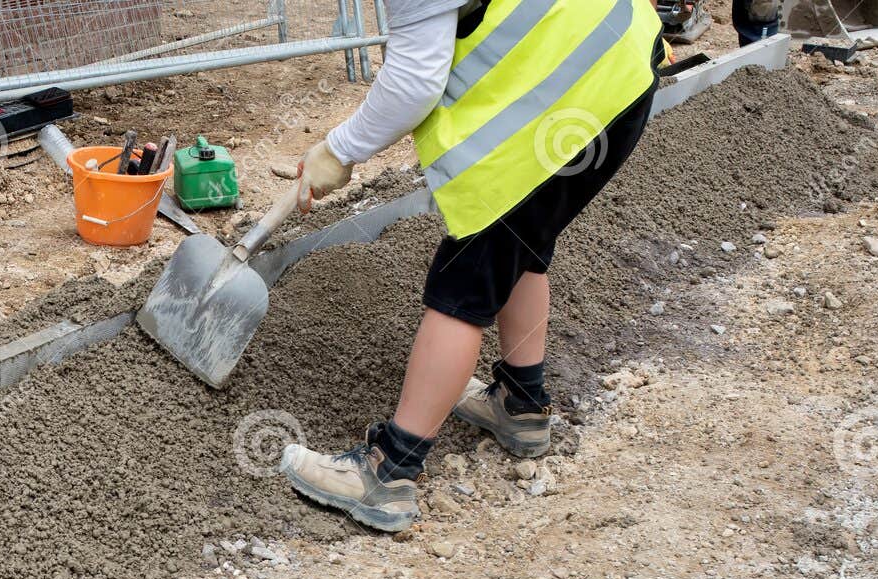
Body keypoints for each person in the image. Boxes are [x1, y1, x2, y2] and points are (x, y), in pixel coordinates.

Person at [277, 0, 666, 532]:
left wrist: (340, 149)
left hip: (573, 93)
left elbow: (416, 80)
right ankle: (521, 404)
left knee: (464, 283)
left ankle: (388, 472)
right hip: (617, 69)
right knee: (521, 240)